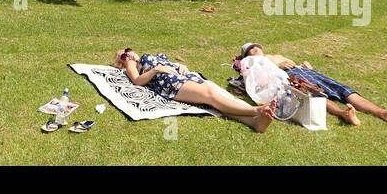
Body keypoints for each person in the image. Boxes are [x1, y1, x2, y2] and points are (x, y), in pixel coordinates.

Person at [234, 42, 387, 126]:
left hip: (303, 71)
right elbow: (258, 82)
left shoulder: (273, 54)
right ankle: (343, 114)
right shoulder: (251, 65)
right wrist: (278, 65)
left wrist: (304, 66)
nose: (254, 49)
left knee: (343, 90)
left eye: (256, 46)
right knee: (316, 96)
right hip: (290, 77)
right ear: (246, 57)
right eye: (250, 50)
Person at [113, 48, 276, 132]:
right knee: (210, 95)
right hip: (169, 83)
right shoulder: (132, 64)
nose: (128, 55)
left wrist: (179, 65)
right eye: (123, 56)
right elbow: (136, 81)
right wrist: (156, 70)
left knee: (216, 97)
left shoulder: (147, 57)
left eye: (127, 51)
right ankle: (255, 110)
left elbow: (168, 64)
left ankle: (255, 123)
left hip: (182, 76)